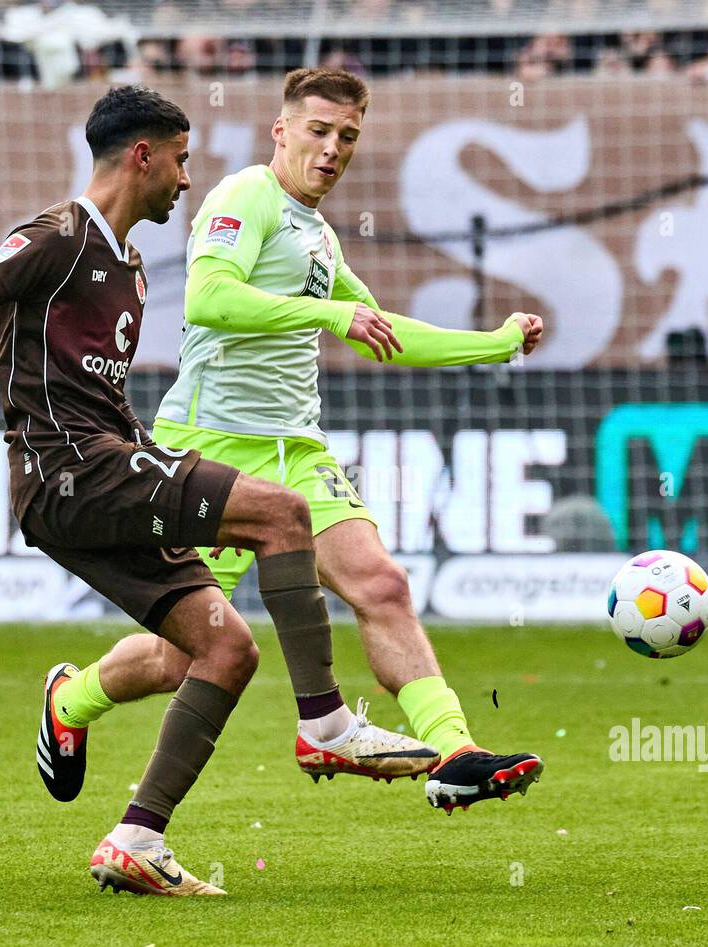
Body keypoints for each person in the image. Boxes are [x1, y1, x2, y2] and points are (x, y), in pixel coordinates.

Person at [0, 85, 437, 897]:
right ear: (141, 154)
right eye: (179, 161)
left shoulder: (131, 273)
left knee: (224, 649)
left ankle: (137, 837)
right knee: (284, 510)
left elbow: (106, 400)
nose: (186, 182)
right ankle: (325, 722)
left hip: (108, 469)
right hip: (67, 472)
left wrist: (157, 459)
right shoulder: (61, 234)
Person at [150, 67, 547, 814]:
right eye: (320, 132)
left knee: (383, 585)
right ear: (282, 131)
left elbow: (385, 333)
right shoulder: (244, 195)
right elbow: (208, 297)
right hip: (210, 447)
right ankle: (71, 700)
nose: (334, 149)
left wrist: (493, 344)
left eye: (349, 138)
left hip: (296, 454)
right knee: (181, 655)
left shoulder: (320, 235)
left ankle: (455, 752)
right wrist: (328, 317)